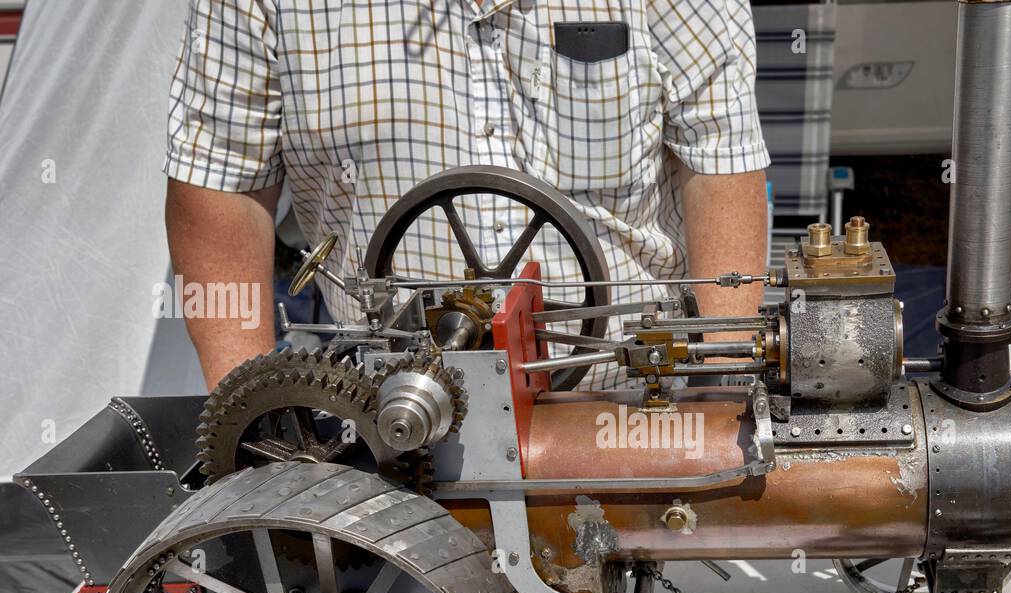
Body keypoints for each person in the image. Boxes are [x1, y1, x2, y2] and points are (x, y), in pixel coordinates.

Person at [164, 0, 771, 391]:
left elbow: (720, 169)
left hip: (628, 408)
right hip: (387, 422)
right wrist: (248, 411)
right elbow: (222, 190)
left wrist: (723, 382)